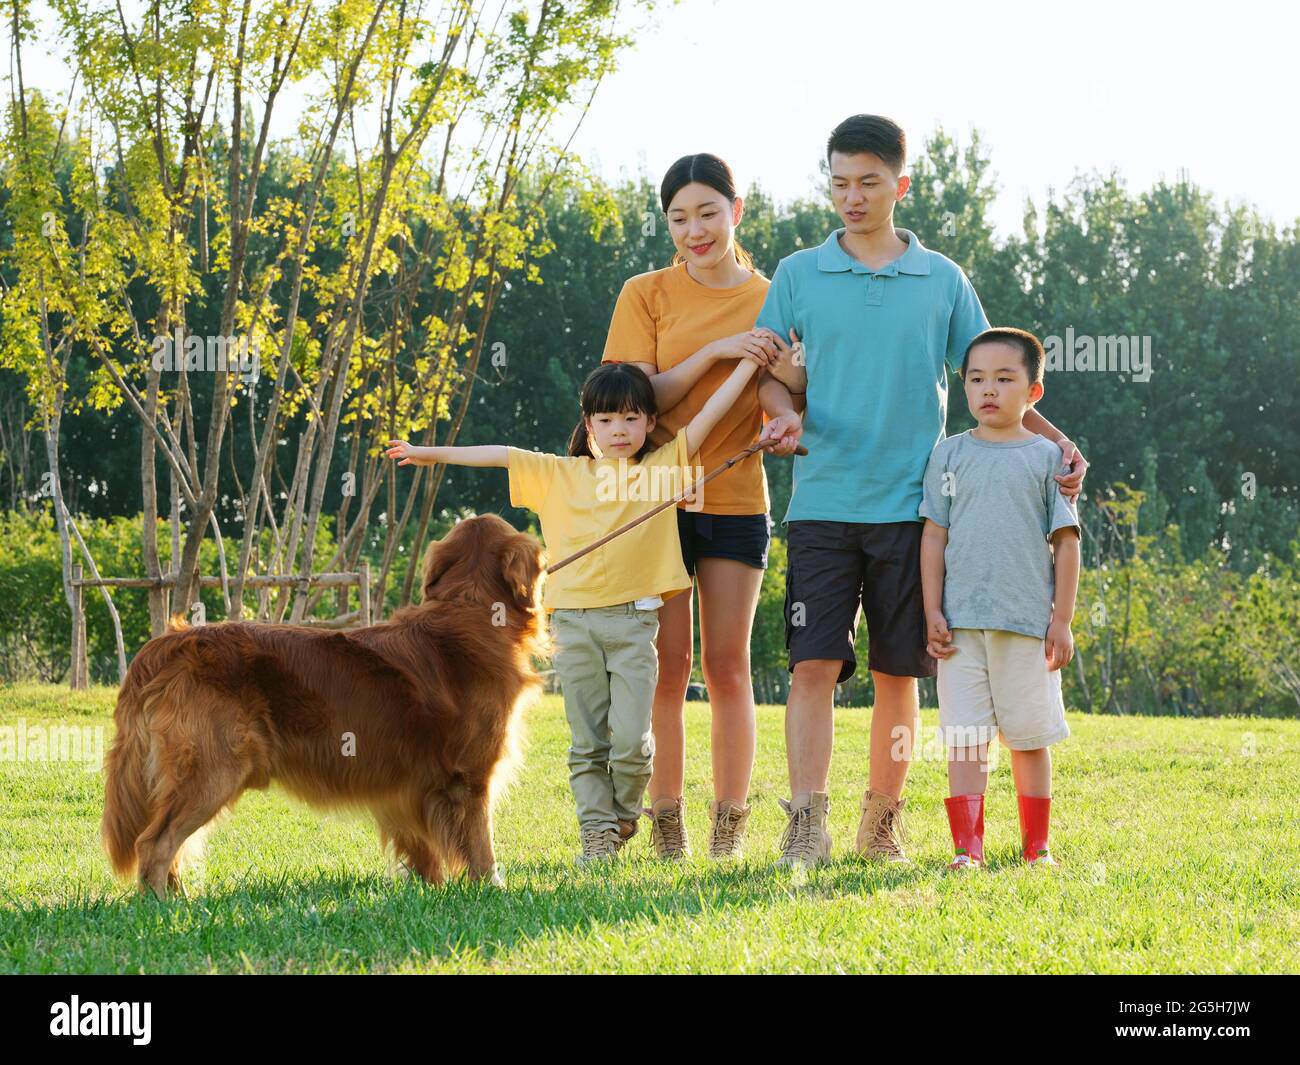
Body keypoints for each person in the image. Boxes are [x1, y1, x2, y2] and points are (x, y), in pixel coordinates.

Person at [753, 114, 1089, 868]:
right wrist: (780, 421)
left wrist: (1057, 443)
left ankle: (882, 823)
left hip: (917, 507)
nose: (852, 197)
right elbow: (772, 380)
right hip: (823, 503)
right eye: (839, 182)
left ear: (900, 186)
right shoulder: (798, 274)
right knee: (812, 667)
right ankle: (807, 822)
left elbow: (997, 376)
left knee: (897, 670)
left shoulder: (943, 279)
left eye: (869, 182)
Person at [385, 356, 763, 864]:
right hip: (572, 626)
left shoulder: (660, 471)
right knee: (587, 743)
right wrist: (429, 453)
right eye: (606, 420)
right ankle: (597, 837)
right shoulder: (558, 475)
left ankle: (625, 813)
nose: (619, 430)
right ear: (589, 426)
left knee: (631, 742)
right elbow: (499, 453)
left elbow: (708, 419)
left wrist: (744, 363)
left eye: (632, 418)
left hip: (633, 625)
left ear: (650, 423)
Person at [602, 153, 803, 859]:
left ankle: (729, 823)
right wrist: (719, 349)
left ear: (736, 210)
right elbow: (632, 398)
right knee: (666, 661)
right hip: (657, 498)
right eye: (679, 218)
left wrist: (784, 412)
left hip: (737, 495)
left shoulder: (777, 294)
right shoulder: (645, 293)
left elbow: (787, 387)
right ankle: (666, 823)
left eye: (707, 213)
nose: (694, 230)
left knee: (727, 663)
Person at [920, 328, 1081, 869]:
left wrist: (1061, 619)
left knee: (1029, 738)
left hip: (1027, 626)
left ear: (1033, 393)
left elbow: (1066, 543)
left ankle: (1038, 848)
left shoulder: (1046, 460)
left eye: (1004, 379)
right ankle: (967, 850)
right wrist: (932, 610)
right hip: (961, 627)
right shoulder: (948, 455)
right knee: (965, 738)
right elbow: (934, 536)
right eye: (976, 379)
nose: (988, 389)